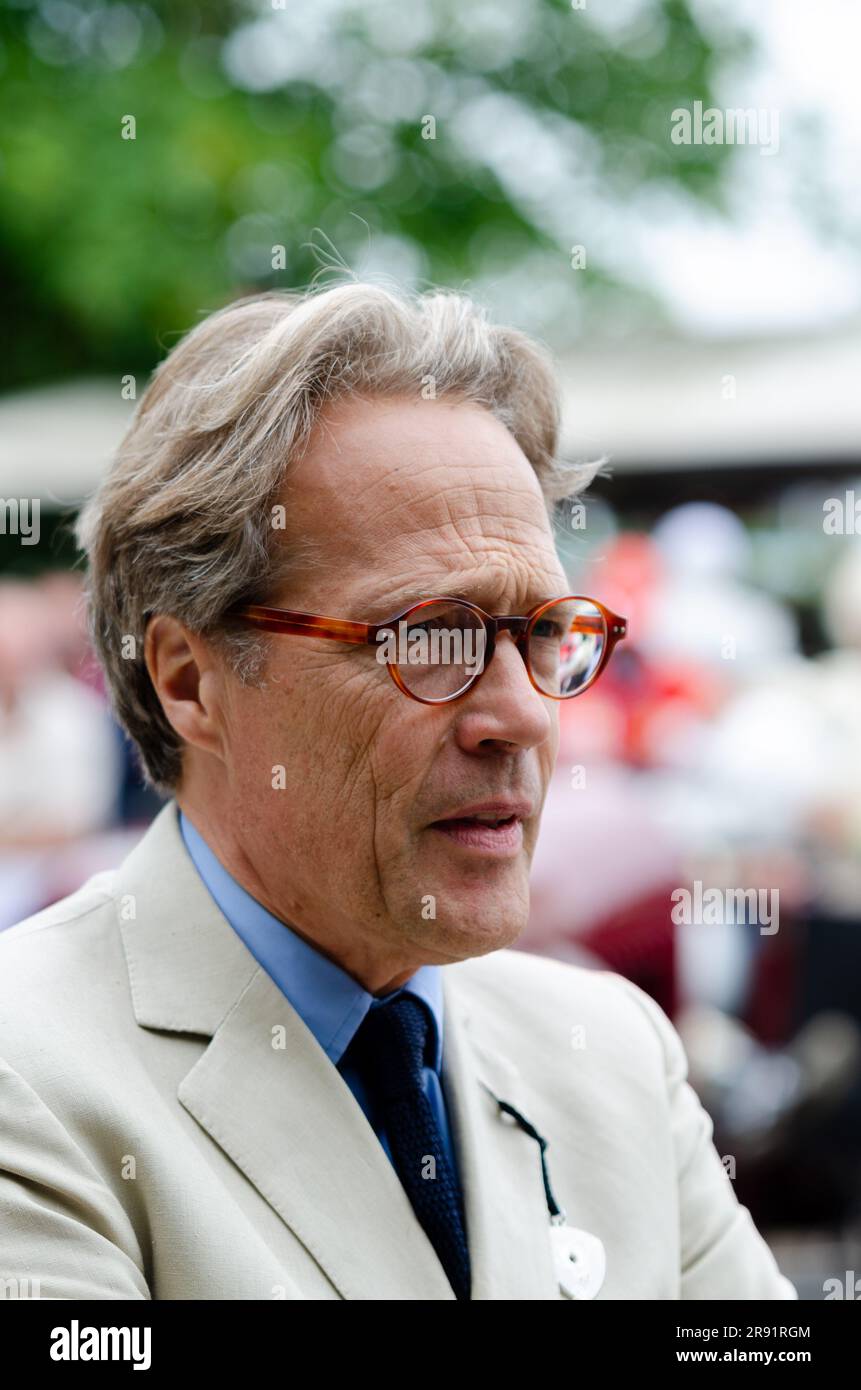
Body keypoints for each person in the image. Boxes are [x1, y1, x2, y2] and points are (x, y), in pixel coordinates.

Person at [0, 283, 796, 1300]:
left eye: (546, 632)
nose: (523, 715)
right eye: (427, 639)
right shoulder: (30, 1078)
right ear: (190, 681)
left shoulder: (610, 1056)